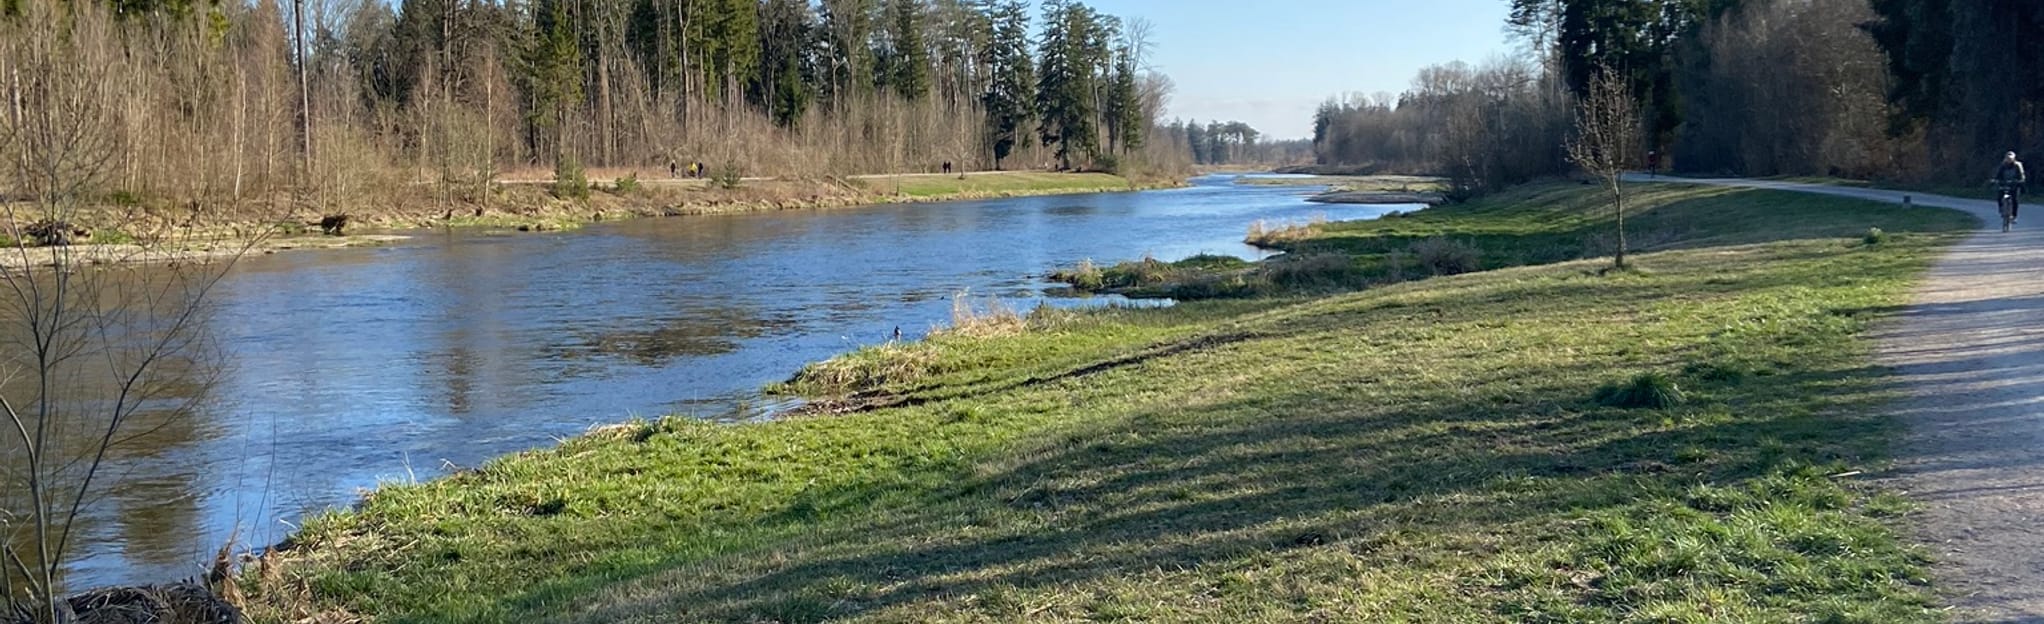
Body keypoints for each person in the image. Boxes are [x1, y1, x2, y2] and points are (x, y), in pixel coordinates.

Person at [1996, 151, 2028, 222]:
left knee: (2015, 199)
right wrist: (1996, 180)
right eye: (2008, 159)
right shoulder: (2003, 165)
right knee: (1999, 196)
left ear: (2013, 159)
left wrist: (2020, 180)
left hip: (2014, 184)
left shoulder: (2017, 165)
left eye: (2010, 159)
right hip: (2004, 183)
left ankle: (2014, 215)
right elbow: (1998, 175)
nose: (2009, 160)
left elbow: (2021, 175)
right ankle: (2001, 209)